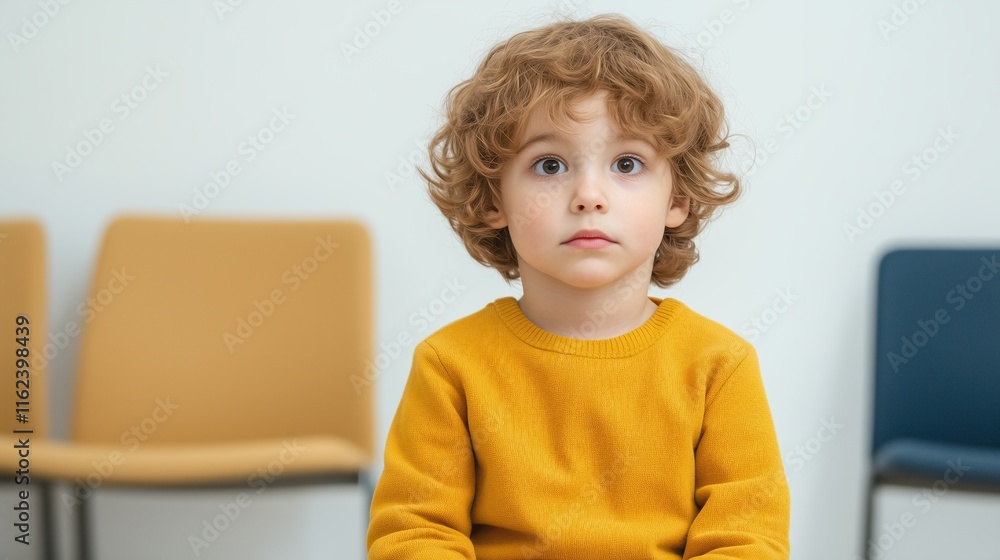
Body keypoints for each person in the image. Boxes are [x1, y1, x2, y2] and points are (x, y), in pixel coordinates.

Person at [367, 12, 790, 559]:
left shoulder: (720, 366)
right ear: (493, 199)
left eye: (627, 163)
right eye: (549, 165)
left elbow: (748, 540)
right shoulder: (449, 365)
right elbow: (414, 533)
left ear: (678, 199)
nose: (589, 195)